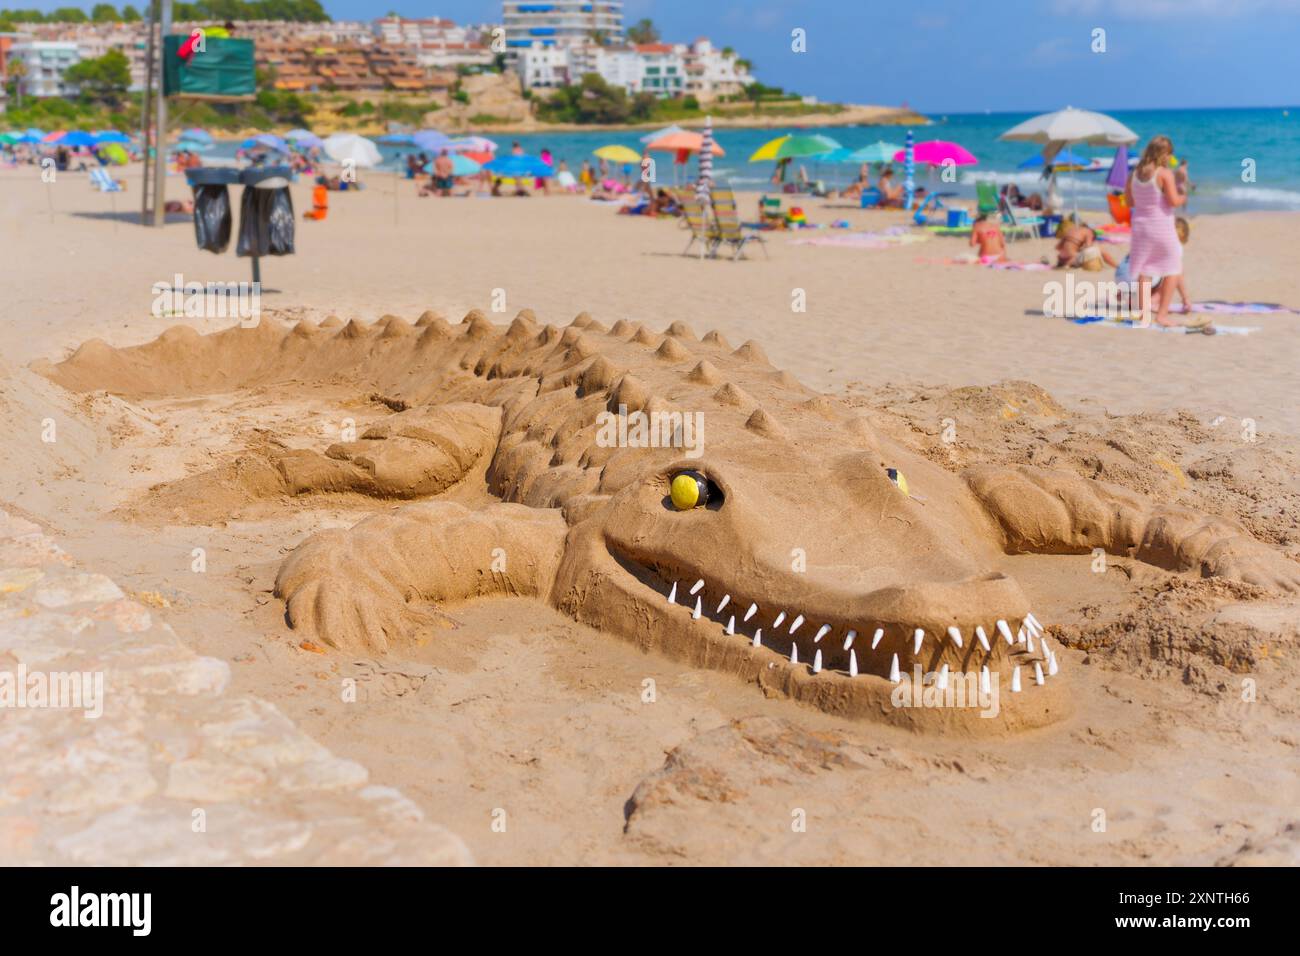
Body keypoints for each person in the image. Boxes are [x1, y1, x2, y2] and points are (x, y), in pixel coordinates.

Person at [1126, 135, 1193, 328]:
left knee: (1145, 268)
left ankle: (1143, 312)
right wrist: (1183, 196)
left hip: (1140, 226)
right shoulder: (1164, 174)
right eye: (1169, 154)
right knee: (1173, 267)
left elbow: (1130, 202)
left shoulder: (1134, 173)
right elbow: (1173, 201)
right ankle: (1161, 315)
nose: (1169, 158)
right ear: (1163, 153)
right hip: (1160, 226)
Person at [1053, 222, 1118, 270]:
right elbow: (1088, 246)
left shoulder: (1071, 230)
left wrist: (1075, 245)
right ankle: (1116, 266)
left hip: (1060, 260)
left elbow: (1057, 247)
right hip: (1071, 259)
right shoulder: (1089, 232)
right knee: (1100, 249)